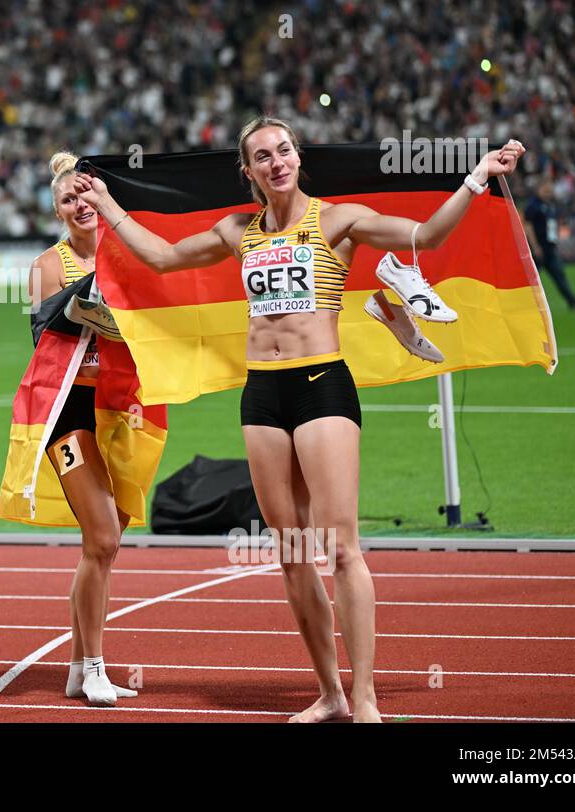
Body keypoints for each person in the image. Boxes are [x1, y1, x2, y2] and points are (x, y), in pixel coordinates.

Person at [73, 117, 525, 722]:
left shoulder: (339, 220)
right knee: (291, 551)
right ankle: (331, 694)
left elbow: (427, 236)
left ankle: (365, 700)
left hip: (321, 385)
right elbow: (162, 258)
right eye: (263, 156)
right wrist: (105, 202)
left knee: (340, 549)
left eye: (284, 150)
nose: (276, 162)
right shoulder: (239, 230)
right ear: (249, 170)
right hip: (263, 393)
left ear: (297, 157)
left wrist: (478, 177)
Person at [22, 151, 140, 707]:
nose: (78, 205)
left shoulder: (129, 255)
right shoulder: (50, 264)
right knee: (102, 538)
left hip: (120, 410)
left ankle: (76, 666)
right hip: (69, 412)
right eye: (67, 199)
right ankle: (94, 666)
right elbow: (45, 338)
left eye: (85, 195)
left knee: (104, 547)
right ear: (59, 211)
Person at [524, 178, 575, 310]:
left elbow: (553, 225)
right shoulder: (533, 205)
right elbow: (528, 226)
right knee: (529, 281)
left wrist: (555, 240)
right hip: (538, 249)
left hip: (549, 248)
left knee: (560, 276)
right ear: (538, 190)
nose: (547, 192)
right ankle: (521, 305)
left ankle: (573, 303)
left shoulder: (550, 205)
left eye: (549, 190)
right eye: (545, 190)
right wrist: (535, 247)